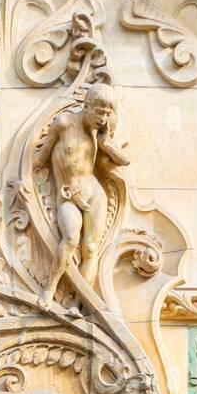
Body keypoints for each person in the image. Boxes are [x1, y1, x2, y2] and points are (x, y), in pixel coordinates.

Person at [35, 82, 129, 309]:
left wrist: (105, 142)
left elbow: (124, 160)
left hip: (94, 193)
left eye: (108, 114)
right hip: (69, 195)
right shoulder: (64, 124)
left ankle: (78, 304)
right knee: (70, 238)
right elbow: (40, 158)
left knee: (91, 249)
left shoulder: (100, 133)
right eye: (100, 112)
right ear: (87, 106)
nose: (103, 118)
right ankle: (50, 289)